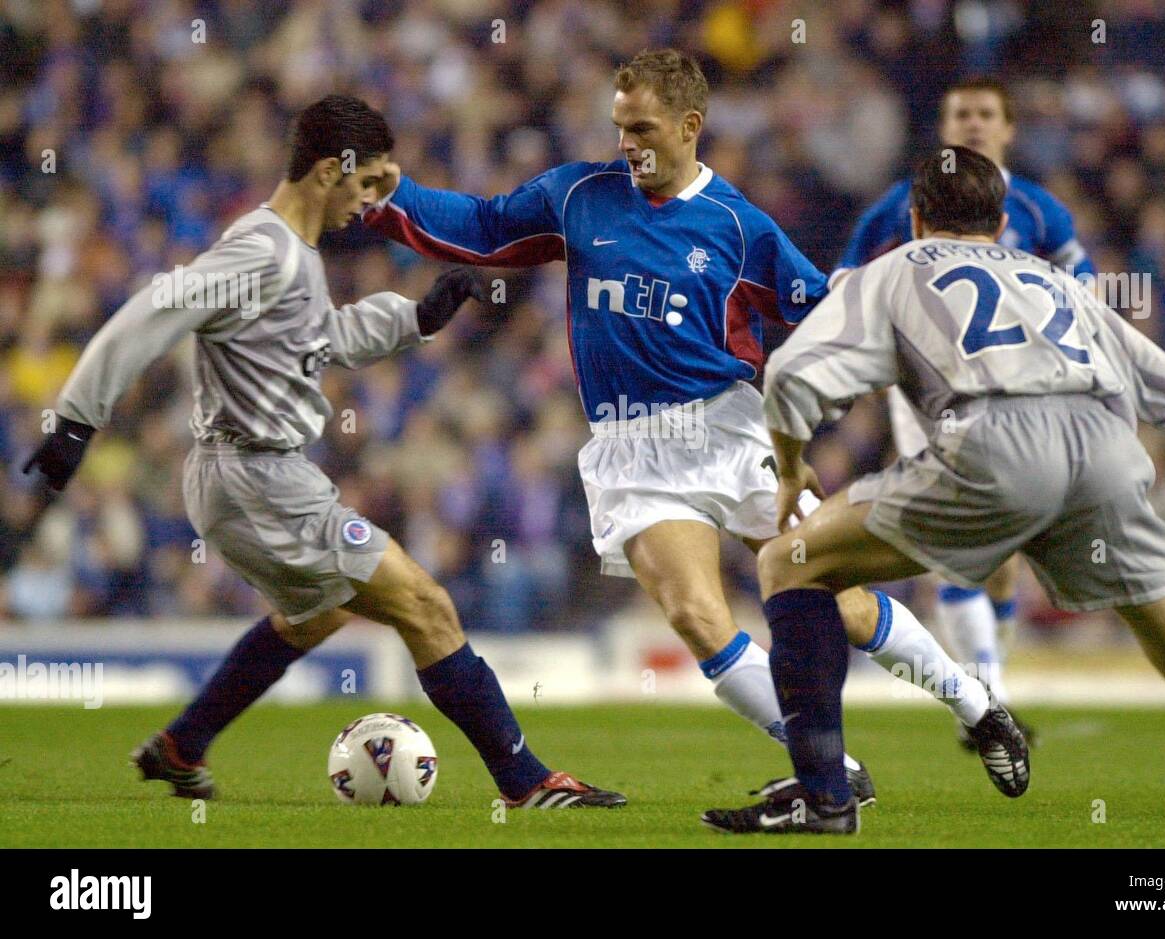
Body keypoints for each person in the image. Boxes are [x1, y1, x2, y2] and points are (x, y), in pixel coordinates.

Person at [367, 49, 1023, 801]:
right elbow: (484, 228)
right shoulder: (580, 194)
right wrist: (398, 198)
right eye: (619, 128)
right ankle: (830, 770)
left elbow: (823, 313)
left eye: (641, 128)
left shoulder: (738, 227)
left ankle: (977, 706)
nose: (626, 144)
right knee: (694, 611)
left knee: (834, 595)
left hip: (733, 431)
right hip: (631, 447)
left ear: (689, 125)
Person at [23, 94, 624, 810]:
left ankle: (183, 742)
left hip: (255, 473)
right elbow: (153, 312)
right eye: (368, 182)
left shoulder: (289, 253)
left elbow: (323, 340)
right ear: (331, 168)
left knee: (320, 613)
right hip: (258, 475)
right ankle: (528, 782)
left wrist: (414, 317)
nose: (372, 203)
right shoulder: (262, 247)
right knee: (426, 604)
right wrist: (76, 422)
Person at [702, 146, 1165, 835]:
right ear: (1001, 218)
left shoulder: (893, 268)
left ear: (917, 217)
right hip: (1106, 452)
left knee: (788, 562)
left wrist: (792, 461)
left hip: (995, 440)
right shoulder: (1057, 280)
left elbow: (790, 376)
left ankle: (825, 794)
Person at [839, 79, 1095, 738]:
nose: (974, 124)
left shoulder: (1037, 209)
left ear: (1008, 129)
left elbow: (1086, 289)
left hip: (1019, 392)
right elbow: (843, 280)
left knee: (1000, 555)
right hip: (926, 392)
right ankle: (989, 694)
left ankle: (986, 679)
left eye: (986, 114)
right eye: (961, 114)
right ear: (944, 126)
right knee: (967, 541)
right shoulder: (899, 206)